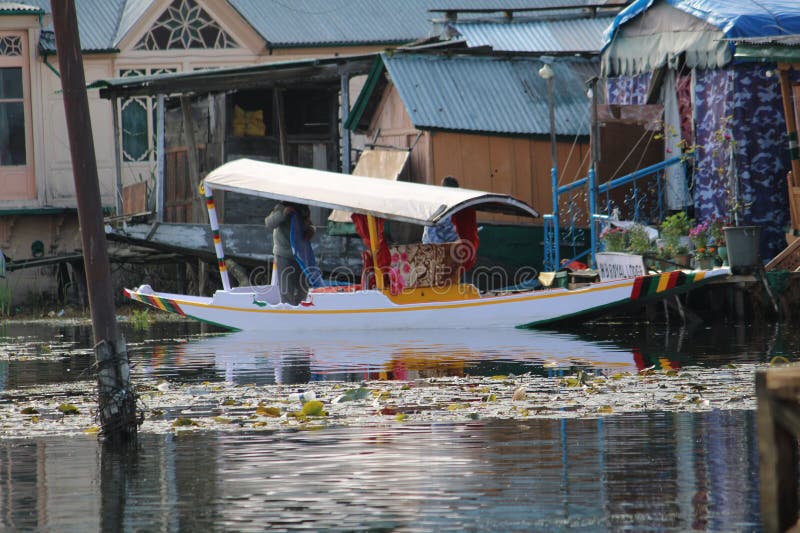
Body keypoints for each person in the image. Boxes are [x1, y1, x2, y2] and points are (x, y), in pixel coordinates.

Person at [264, 201, 314, 305]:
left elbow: (310, 224)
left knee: (303, 286)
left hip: (301, 254)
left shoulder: (303, 208)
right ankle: (287, 309)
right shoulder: (280, 207)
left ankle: (301, 309)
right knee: (286, 287)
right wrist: (283, 213)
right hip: (284, 254)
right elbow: (269, 223)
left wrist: (312, 230)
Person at [422, 176, 460, 244]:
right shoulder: (437, 207)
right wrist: (444, 248)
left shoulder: (455, 207)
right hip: (434, 248)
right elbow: (430, 234)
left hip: (451, 248)